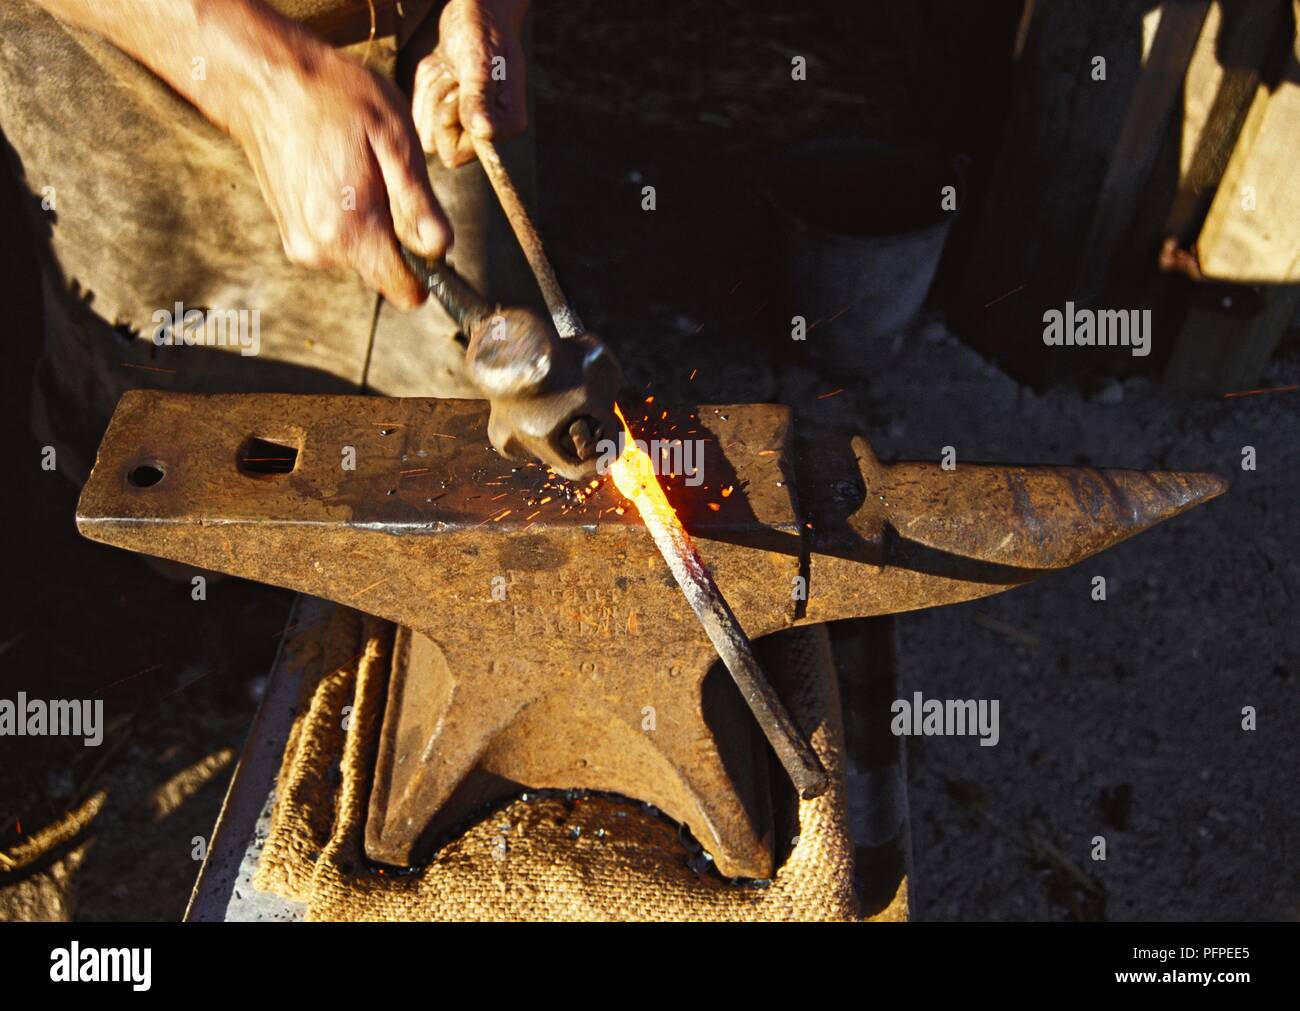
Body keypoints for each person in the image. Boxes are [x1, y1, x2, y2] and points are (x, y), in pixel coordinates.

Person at [0, 0, 533, 479]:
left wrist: (490, 9)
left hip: (427, 49)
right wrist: (262, 83)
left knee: (464, 444)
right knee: (172, 446)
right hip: (136, 56)